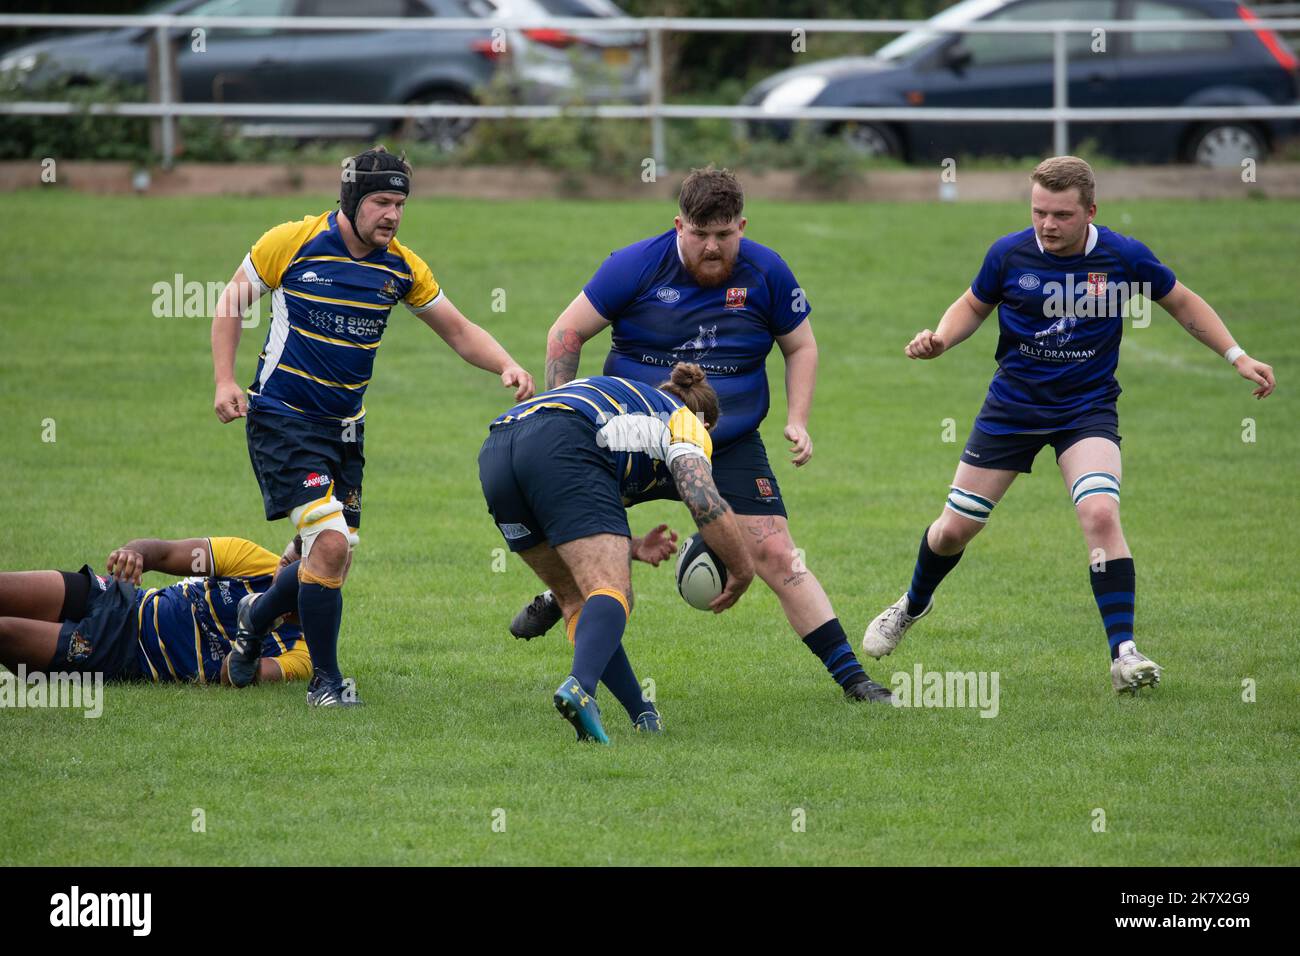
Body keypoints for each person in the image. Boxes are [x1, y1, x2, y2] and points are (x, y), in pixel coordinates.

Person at [863, 155, 1276, 693]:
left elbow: (1181, 302)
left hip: (1086, 408)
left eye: (1060, 214)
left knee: (1101, 513)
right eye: (1039, 212)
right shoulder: (1009, 254)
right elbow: (972, 304)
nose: (1047, 225)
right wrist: (941, 338)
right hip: (1012, 409)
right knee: (953, 531)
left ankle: (1124, 654)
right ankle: (911, 605)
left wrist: (1236, 355)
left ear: (1090, 211)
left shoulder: (1123, 256)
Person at [511, 166, 893, 703]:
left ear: (742, 225)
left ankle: (854, 680)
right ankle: (561, 596)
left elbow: (801, 345)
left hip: (727, 441)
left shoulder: (768, 272)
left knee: (779, 554)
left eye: (724, 234)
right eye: (700, 234)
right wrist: (561, 407)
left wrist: (797, 418)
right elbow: (566, 332)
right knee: (589, 541)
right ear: (678, 226)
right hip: (635, 438)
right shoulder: (634, 266)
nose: (713, 247)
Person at [210, 145, 534, 707]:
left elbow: (458, 331)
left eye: (401, 203)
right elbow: (231, 302)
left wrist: (505, 363)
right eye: (382, 201)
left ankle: (254, 615)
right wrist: (224, 381)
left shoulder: (401, 268)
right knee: (330, 544)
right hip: (283, 421)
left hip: (345, 430)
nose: (392, 214)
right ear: (353, 199)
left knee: (332, 554)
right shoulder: (293, 241)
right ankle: (327, 683)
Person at [480, 363, 762, 743]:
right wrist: (742, 569)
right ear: (708, 425)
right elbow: (703, 499)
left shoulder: (628, 406)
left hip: (498, 449)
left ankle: (642, 713)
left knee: (578, 598)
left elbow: (576, 525)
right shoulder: (687, 422)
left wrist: (632, 547)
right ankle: (580, 687)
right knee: (613, 590)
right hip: (564, 440)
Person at [0, 535, 311, 686]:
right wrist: (135, 554)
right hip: (119, 596)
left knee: (5, 632)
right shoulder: (254, 559)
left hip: (121, 651)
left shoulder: (300, 653)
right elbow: (165, 553)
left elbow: (236, 676)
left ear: (311, 587)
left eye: (287, 572)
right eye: (282, 562)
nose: (276, 573)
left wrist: (254, 624)